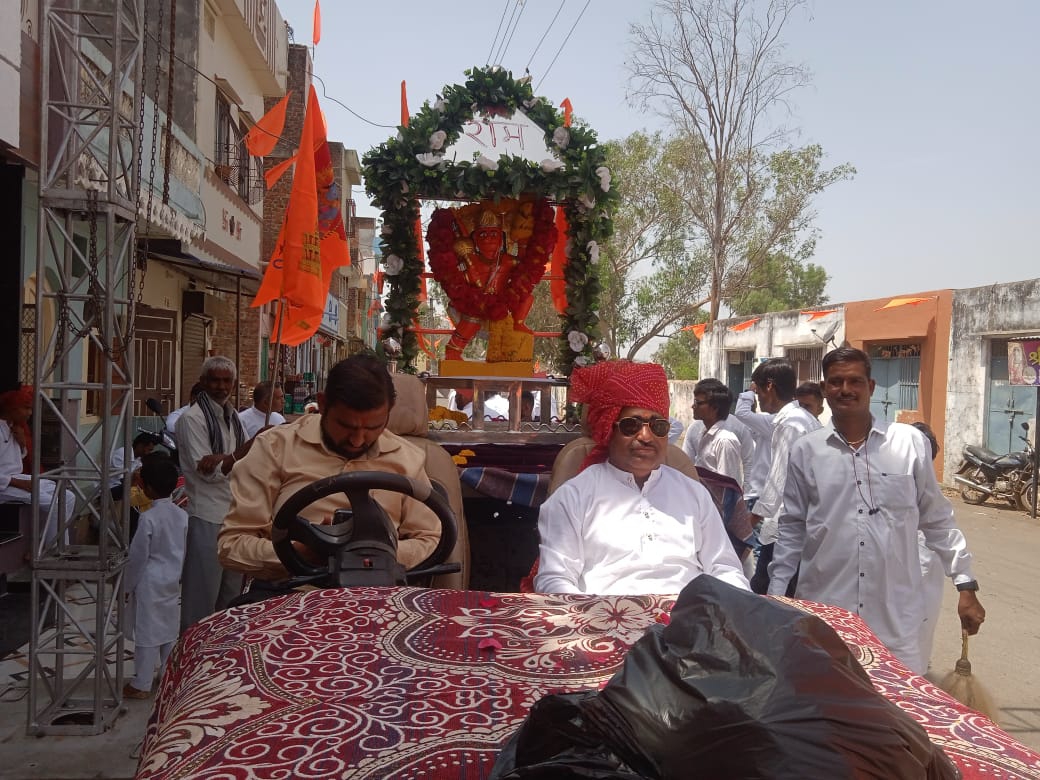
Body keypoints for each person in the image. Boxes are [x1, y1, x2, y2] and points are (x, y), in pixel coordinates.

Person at [768, 347, 985, 674]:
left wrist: (965, 583)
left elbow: (936, 517)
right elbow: (792, 528)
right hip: (826, 611)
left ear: (871, 386)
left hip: (895, 616)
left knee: (898, 711)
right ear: (825, 389)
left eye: (854, 381)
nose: (845, 389)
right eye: (836, 381)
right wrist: (775, 594)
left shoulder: (908, 443)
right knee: (828, 708)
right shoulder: (806, 451)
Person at [218, 354, 441, 583]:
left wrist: (376, 555)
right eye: (346, 426)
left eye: (373, 427)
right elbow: (232, 546)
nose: (357, 441)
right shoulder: (274, 448)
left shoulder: (408, 459)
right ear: (322, 404)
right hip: (292, 596)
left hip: (381, 599)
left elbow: (430, 540)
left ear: (389, 412)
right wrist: (297, 553)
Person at [533, 360, 749, 595]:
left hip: (689, 623)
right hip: (605, 619)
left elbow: (725, 568)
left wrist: (730, 613)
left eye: (657, 426)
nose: (646, 436)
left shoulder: (693, 493)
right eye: (631, 425)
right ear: (609, 430)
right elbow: (555, 579)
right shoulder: (574, 496)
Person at [178, 357, 251, 633]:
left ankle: (221, 660)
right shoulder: (192, 419)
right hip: (207, 515)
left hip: (234, 515)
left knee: (231, 600)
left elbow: (240, 463)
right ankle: (190, 664)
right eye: (215, 380)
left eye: (226, 381)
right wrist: (235, 455)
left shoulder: (233, 417)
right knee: (201, 600)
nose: (221, 387)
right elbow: (209, 471)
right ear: (204, 382)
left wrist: (227, 457)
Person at [748, 359, 822, 595]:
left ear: (769, 387)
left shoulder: (790, 424)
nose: (758, 399)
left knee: (767, 591)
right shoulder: (804, 419)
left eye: (758, 391)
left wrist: (751, 520)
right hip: (805, 523)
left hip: (787, 526)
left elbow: (778, 478)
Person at [123, 452, 188, 699]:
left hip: (149, 581)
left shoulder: (148, 518)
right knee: (168, 629)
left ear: (147, 487)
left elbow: (138, 556)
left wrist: (128, 584)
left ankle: (141, 683)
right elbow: (183, 549)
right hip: (172, 579)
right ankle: (168, 676)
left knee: (147, 633)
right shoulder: (181, 515)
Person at [444, 208, 534, 360]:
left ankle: (518, 325)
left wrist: (523, 243)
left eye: (493, 234)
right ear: (475, 239)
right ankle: (453, 351)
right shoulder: (471, 260)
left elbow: (525, 266)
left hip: (502, 304)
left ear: (501, 238)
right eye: (483, 234)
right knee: (472, 317)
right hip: (477, 305)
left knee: (526, 296)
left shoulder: (508, 260)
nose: (488, 239)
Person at [0, 385, 74, 549]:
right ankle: (54, 550)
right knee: (54, 504)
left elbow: (16, 459)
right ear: (12, 408)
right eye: (25, 408)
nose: (29, 413)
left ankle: (43, 544)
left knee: (68, 497)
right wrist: (21, 484)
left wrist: (22, 444)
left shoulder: (14, 429)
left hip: (17, 479)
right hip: (5, 485)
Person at [689, 378, 744, 486]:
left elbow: (727, 486)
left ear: (715, 408)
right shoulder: (703, 433)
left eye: (698, 403)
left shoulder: (724, 440)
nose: (693, 406)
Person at [110, 432, 158, 502]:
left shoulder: (138, 459)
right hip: (110, 488)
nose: (148, 453)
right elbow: (124, 481)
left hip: (123, 488)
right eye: (148, 450)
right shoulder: (123, 453)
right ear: (140, 445)